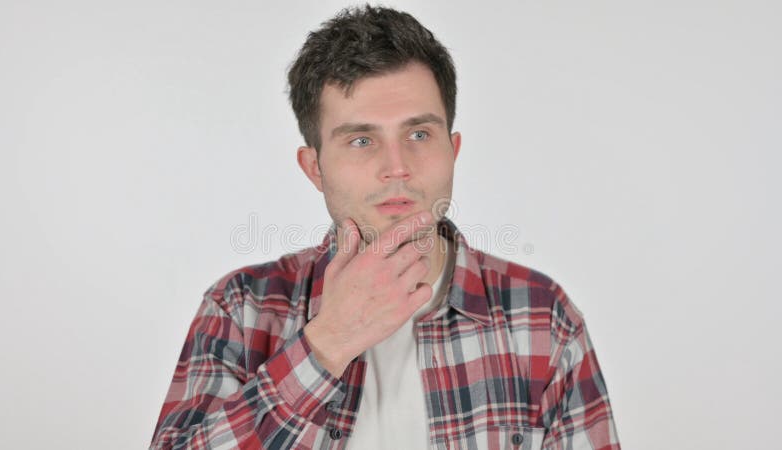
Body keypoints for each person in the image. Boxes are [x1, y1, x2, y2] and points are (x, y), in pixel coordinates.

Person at [150, 5, 620, 449]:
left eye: (419, 134)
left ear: (452, 150)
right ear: (314, 168)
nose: (397, 167)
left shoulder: (543, 317)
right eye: (361, 140)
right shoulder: (240, 309)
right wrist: (328, 342)